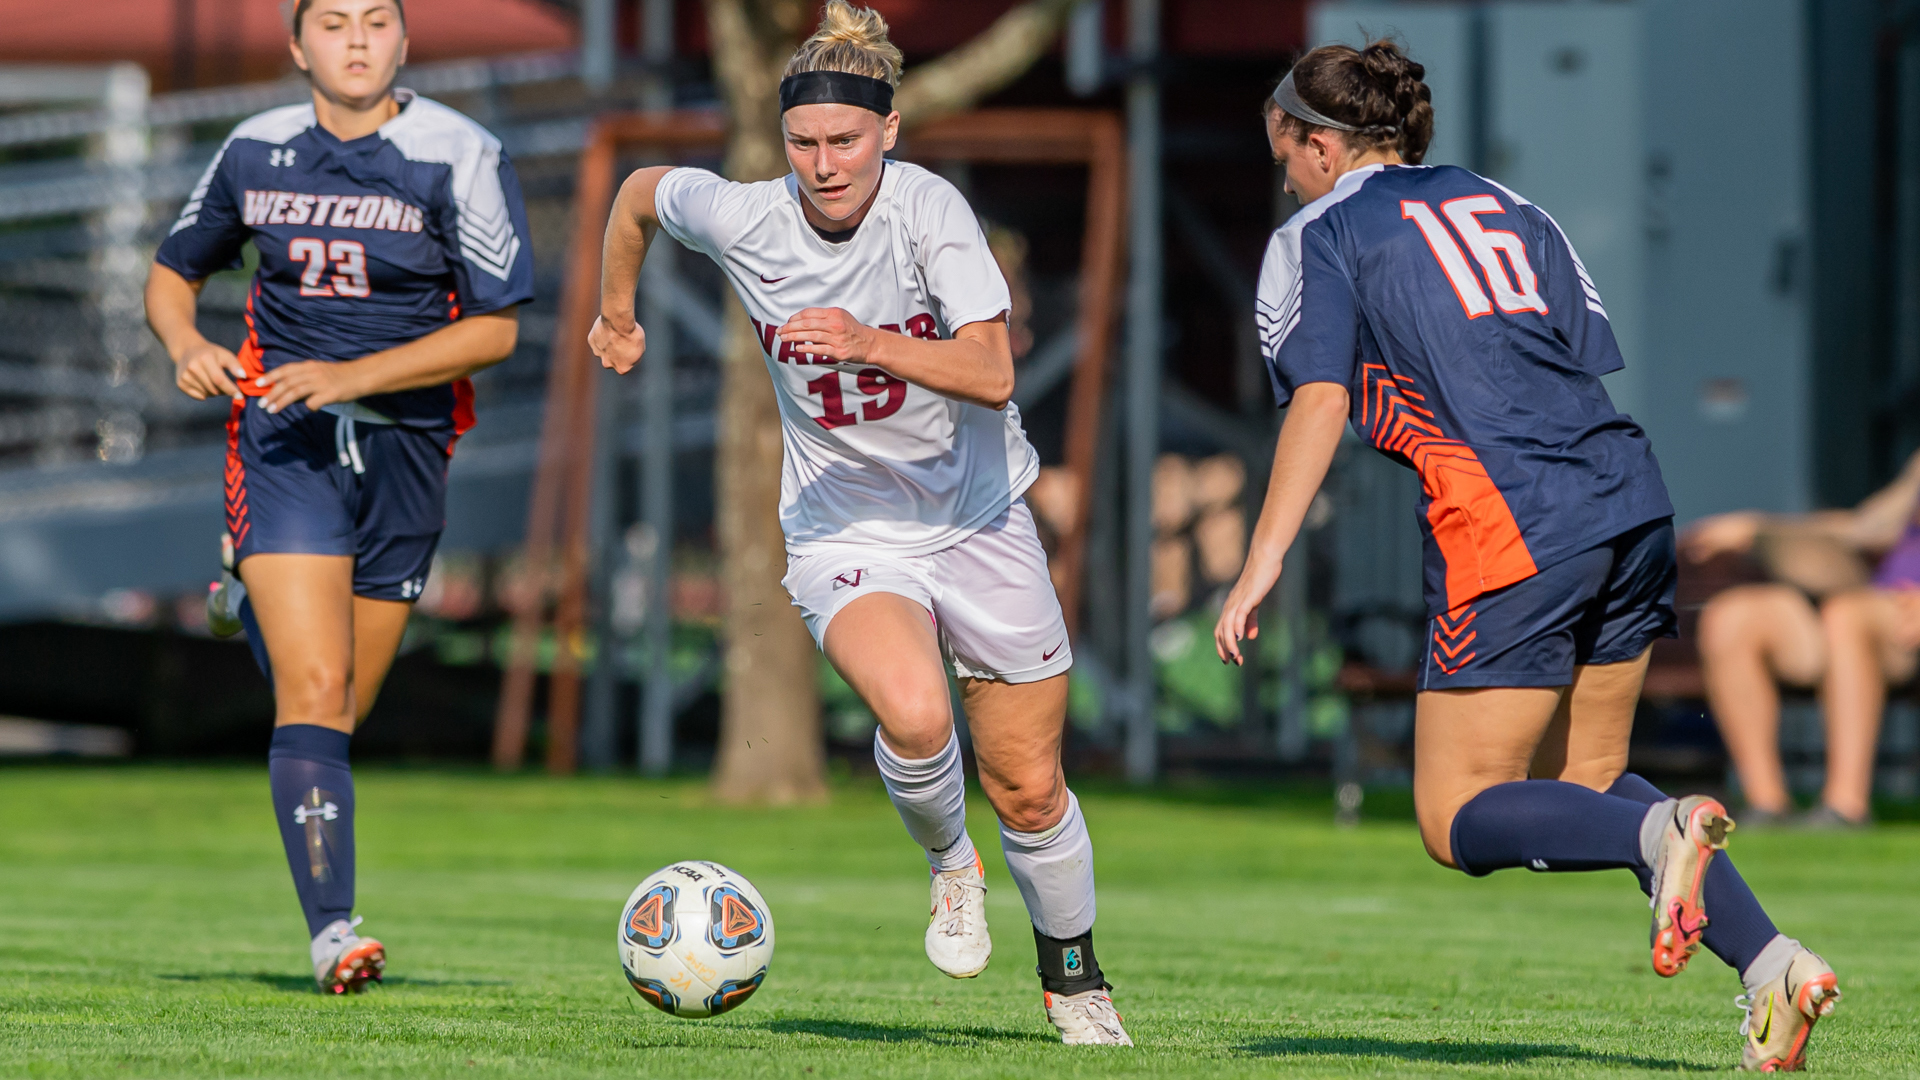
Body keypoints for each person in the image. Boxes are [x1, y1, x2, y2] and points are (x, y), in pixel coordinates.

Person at [1213, 40, 1838, 1070]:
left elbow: (1322, 395)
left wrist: (1262, 558)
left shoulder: (1317, 234)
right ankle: (1775, 965)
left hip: (1507, 517)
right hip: (1629, 496)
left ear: (1318, 143)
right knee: (1587, 784)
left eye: (1283, 147)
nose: (1282, 169)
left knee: (1455, 815)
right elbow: (1565, 348)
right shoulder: (1509, 203)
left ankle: (1664, 833)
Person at [587, 1, 1129, 1047]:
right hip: (847, 530)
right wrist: (618, 311)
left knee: (1027, 784)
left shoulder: (932, 215)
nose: (824, 163)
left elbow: (991, 369)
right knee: (918, 716)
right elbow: (640, 194)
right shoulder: (747, 216)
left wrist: (869, 342)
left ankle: (1075, 984)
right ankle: (949, 868)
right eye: (803, 142)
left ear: (888, 132)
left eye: (845, 141)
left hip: (980, 520)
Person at [144, 0, 533, 993]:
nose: (355, 40)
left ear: (404, 42)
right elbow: (171, 272)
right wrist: (188, 346)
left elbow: (496, 331)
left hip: (409, 445)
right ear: (296, 45)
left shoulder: (461, 150)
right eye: (332, 23)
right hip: (285, 436)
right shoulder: (255, 148)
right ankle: (333, 932)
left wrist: (358, 377)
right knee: (314, 693)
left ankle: (246, 593)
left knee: (339, 706)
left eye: (375, 21)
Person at [1688, 449, 1920, 828]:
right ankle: (1767, 804)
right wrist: (1753, 527)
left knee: (1847, 616)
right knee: (1732, 615)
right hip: (1874, 596)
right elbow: (1866, 526)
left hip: (1896, 620)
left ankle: (1846, 808)